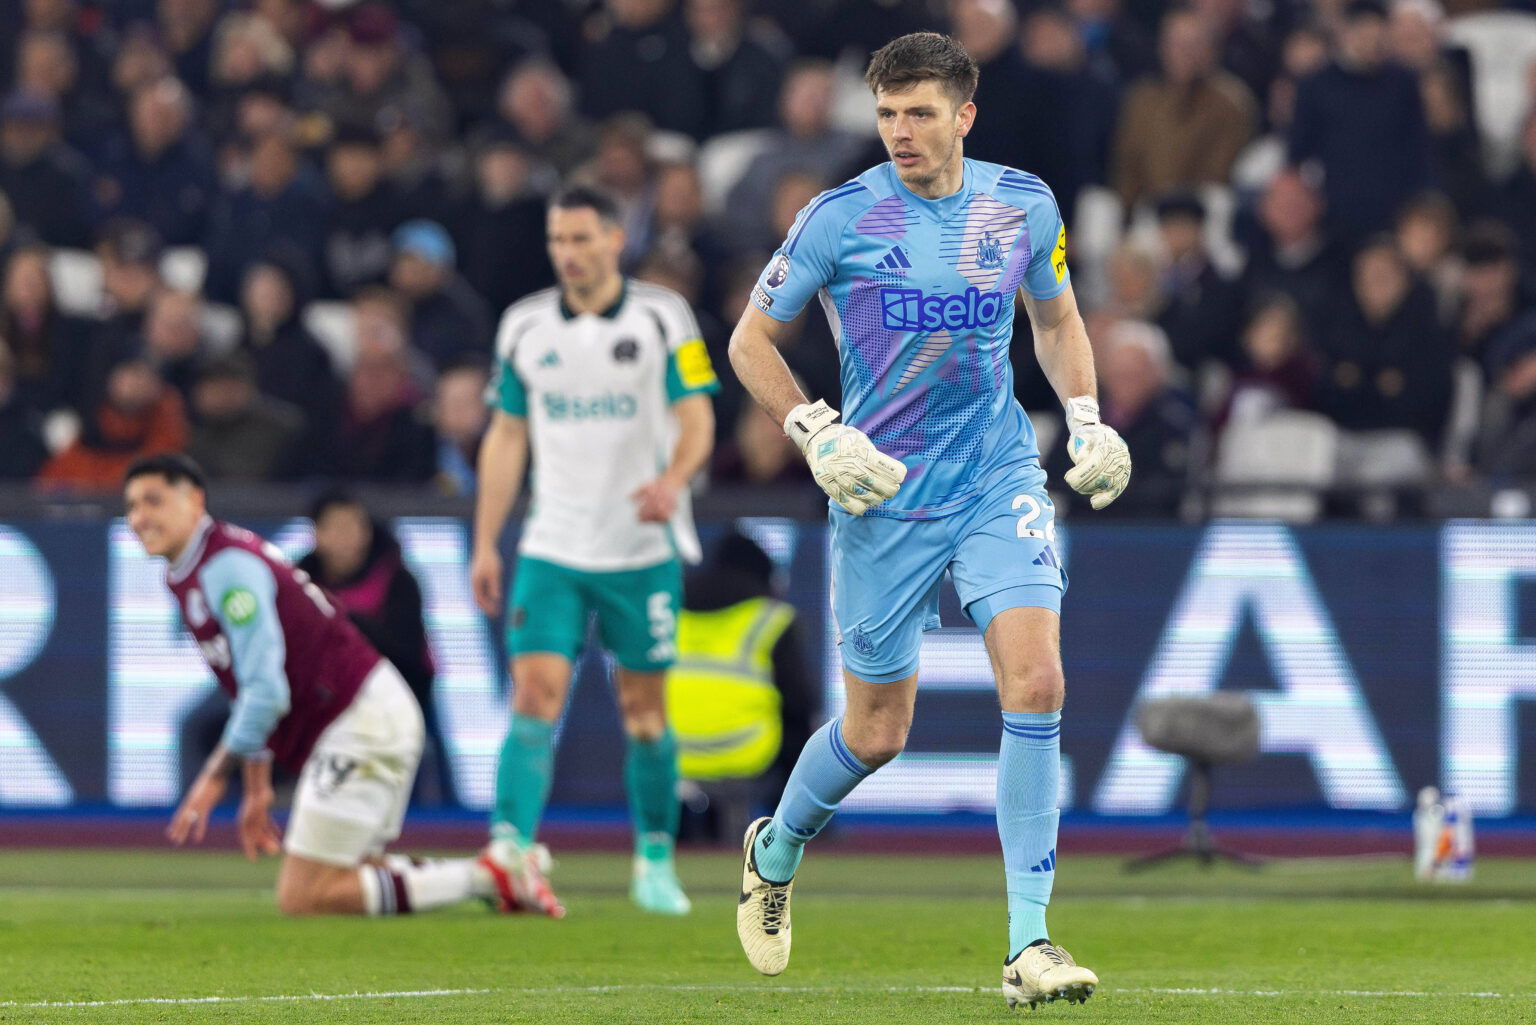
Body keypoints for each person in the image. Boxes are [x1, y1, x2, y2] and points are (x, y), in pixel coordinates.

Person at [726, 32, 1131, 1008]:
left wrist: (1085, 414)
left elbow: (1056, 317)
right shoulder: (839, 217)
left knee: (1037, 681)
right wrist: (814, 429)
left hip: (995, 474)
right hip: (882, 490)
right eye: (887, 114)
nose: (900, 132)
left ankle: (1028, 942)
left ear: (964, 116)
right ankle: (775, 847)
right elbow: (748, 341)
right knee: (878, 730)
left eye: (918, 113)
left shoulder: (1023, 205)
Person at [121, 453, 533, 917]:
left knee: (305, 896)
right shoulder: (201, 565)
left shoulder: (226, 569)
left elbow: (265, 691)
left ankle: (492, 875)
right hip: (365, 713)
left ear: (194, 501)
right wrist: (257, 787)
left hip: (360, 720)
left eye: (153, 501)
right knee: (355, 876)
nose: (139, 517)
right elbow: (252, 685)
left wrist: (215, 777)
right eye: (132, 506)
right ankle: (500, 876)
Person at [471, 184, 718, 918]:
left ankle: (654, 860)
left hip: (640, 548)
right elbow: (506, 435)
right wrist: (485, 542)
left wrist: (674, 480)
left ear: (614, 239)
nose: (568, 254)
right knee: (533, 695)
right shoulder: (524, 325)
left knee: (644, 713)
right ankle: (508, 852)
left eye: (581, 239)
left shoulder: (662, 317)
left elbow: (696, 415)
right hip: (552, 545)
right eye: (558, 240)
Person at [299, 490, 456, 807]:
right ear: (317, 535)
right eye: (337, 527)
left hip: (401, 696)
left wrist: (348, 626)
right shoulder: (300, 583)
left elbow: (409, 658)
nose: (348, 537)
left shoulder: (398, 580)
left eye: (355, 526)